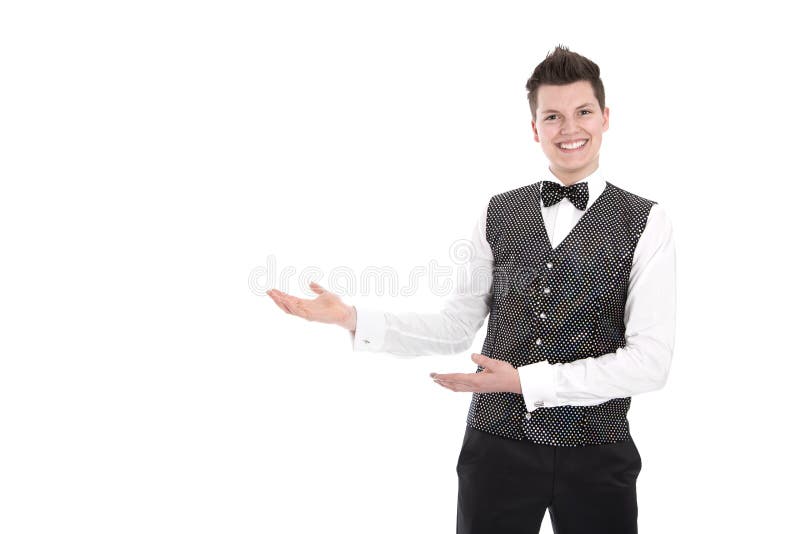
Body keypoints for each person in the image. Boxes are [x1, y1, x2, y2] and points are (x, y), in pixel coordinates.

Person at [267, 44, 676, 534]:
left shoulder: (647, 221)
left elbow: (650, 363)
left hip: (599, 453)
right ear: (535, 128)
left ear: (605, 117)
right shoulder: (498, 212)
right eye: (553, 116)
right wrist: (353, 318)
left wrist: (526, 382)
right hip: (495, 450)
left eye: (583, 112)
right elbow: (455, 326)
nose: (570, 129)